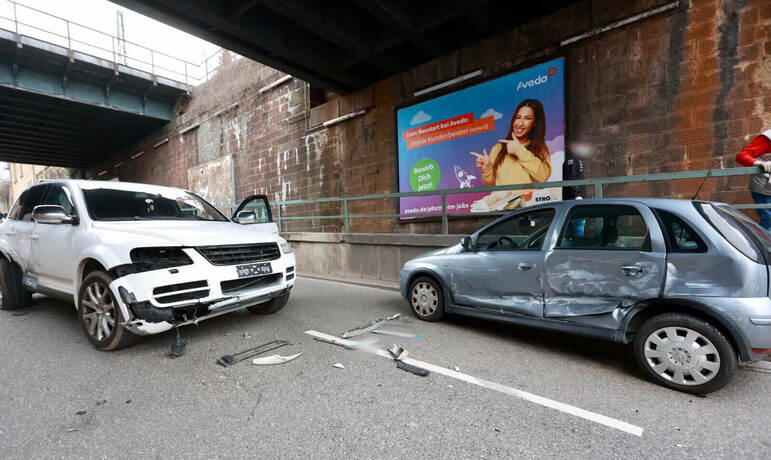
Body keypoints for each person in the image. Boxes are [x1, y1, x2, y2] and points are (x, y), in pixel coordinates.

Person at [469, 99, 551, 209]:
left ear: (535, 123)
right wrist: (486, 168)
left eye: (527, 118)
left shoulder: (541, 148)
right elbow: (491, 185)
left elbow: (542, 177)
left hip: (527, 211)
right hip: (500, 211)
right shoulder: (498, 148)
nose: (520, 123)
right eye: (518, 117)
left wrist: (520, 151)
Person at [735, 129, 771, 230]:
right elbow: (741, 156)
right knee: (769, 221)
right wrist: (759, 163)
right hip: (764, 188)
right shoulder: (767, 138)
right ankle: (761, 243)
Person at [562, 136, 596, 236]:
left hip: (575, 197)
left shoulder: (575, 159)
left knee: (577, 226)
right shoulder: (572, 159)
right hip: (574, 198)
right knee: (578, 226)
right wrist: (577, 195)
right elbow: (571, 178)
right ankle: (576, 247)